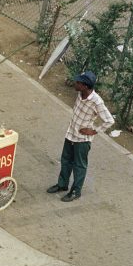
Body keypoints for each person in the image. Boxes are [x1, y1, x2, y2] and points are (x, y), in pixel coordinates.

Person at [46, 70, 114, 202]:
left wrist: (94, 131)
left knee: (79, 165)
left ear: (85, 86)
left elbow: (109, 120)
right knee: (65, 160)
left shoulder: (96, 102)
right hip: (70, 134)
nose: (75, 83)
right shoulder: (80, 93)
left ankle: (76, 191)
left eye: (78, 82)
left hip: (82, 140)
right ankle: (62, 185)